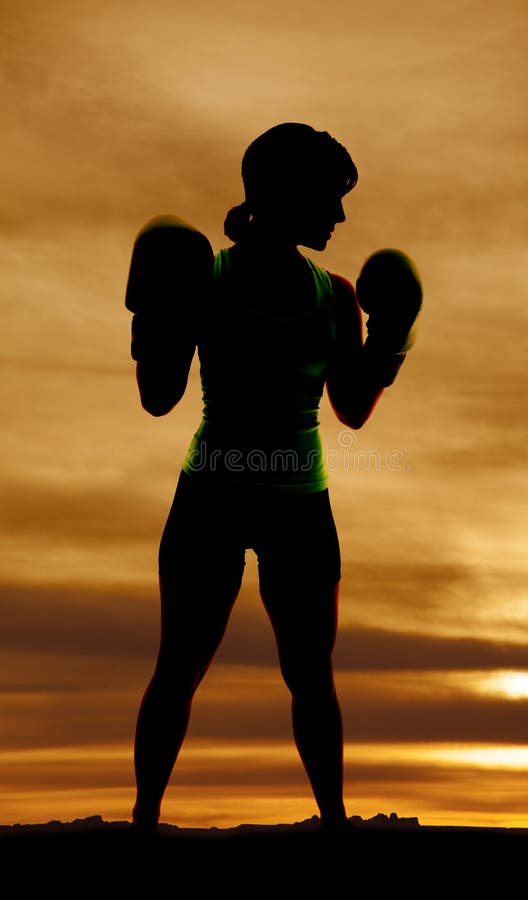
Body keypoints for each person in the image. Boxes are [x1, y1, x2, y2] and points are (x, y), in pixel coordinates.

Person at [125, 122, 422, 835]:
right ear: (287, 194)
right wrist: (154, 314)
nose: (342, 216)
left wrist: (390, 338)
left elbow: (349, 410)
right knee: (180, 667)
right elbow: (159, 397)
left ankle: (333, 821)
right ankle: (141, 824)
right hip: (216, 495)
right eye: (331, 196)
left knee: (311, 675)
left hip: (297, 504)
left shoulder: (336, 296)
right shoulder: (209, 277)